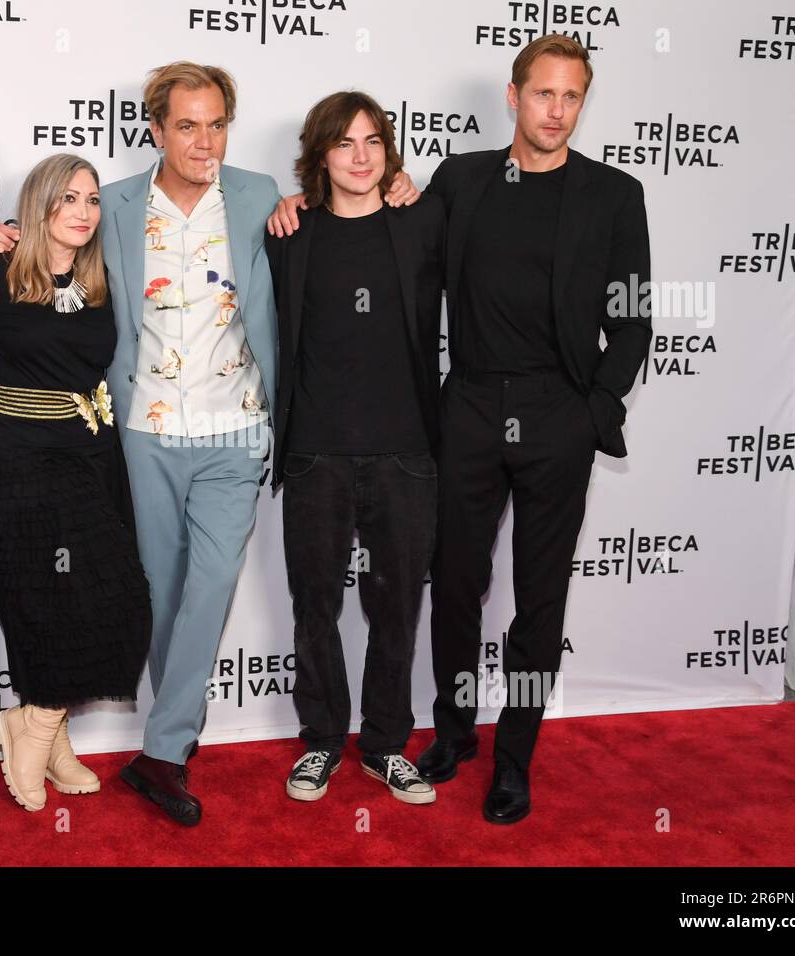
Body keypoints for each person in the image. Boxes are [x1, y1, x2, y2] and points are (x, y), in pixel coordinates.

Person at [0, 63, 419, 827]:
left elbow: (355, 187)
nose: (204, 140)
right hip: (143, 432)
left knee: (211, 588)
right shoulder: (111, 206)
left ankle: (163, 752)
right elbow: (52, 261)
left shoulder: (260, 199)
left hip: (237, 430)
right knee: (157, 597)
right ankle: (149, 739)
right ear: (156, 130)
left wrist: (404, 180)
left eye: (217, 123)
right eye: (187, 125)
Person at [271, 35, 651, 824]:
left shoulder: (614, 195)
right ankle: (450, 733)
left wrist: (594, 413)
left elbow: (633, 319)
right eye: (542, 93)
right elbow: (379, 236)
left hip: (560, 416)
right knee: (452, 590)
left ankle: (515, 756)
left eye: (570, 96)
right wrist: (302, 199)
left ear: (583, 102)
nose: (556, 110)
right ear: (513, 97)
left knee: (540, 601)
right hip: (468, 409)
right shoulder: (462, 179)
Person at [265, 92, 445, 805]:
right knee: (315, 604)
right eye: (345, 144)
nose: (362, 157)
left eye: (374, 142)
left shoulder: (421, 220)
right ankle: (320, 741)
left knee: (397, 604)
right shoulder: (289, 231)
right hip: (316, 452)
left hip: (406, 451)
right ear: (320, 156)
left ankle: (386, 744)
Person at [0, 154, 150, 812]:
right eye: (67, 199)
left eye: (91, 199)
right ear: (39, 206)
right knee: (41, 601)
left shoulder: (98, 277)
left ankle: (37, 727)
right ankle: (39, 734)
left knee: (109, 597)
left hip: (92, 452)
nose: (82, 211)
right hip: (20, 456)